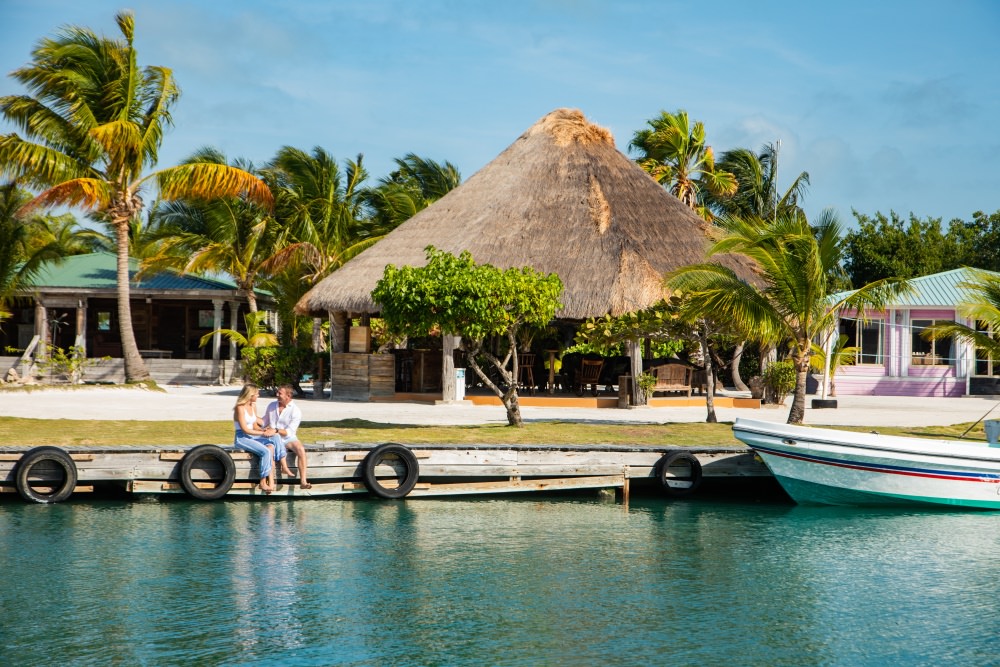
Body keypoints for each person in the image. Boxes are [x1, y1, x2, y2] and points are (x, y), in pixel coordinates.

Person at [233, 383, 285, 494]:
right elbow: (245, 430)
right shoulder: (239, 408)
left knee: (275, 436)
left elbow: (255, 426)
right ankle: (262, 481)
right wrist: (262, 434)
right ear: (250, 395)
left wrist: (265, 430)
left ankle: (283, 463)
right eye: (257, 393)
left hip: (252, 435)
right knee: (266, 451)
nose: (258, 395)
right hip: (242, 438)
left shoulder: (253, 406)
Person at [263, 383, 311, 489]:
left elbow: (290, 432)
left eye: (279, 393)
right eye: (277, 392)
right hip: (272, 437)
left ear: (288, 396)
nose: (277, 394)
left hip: (288, 438)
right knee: (269, 451)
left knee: (301, 449)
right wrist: (251, 421)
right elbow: (264, 421)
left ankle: (303, 481)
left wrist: (275, 430)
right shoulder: (272, 406)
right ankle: (270, 482)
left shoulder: (295, 410)